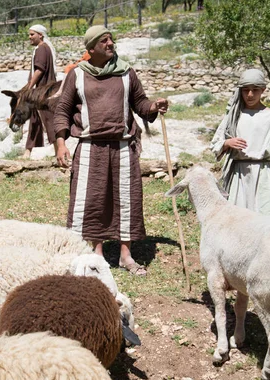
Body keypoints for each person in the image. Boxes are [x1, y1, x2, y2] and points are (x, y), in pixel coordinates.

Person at [53, 26, 168, 277]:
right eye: (104, 40)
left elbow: (140, 103)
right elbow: (62, 109)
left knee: (125, 200)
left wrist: (154, 106)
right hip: (90, 147)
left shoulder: (126, 73)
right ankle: (97, 254)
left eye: (111, 39)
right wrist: (61, 142)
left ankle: (126, 255)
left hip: (123, 147)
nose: (110, 43)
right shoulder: (78, 75)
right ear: (91, 48)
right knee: (93, 200)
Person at [210, 68, 270, 216]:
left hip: (264, 173)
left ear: (263, 90)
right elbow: (215, 143)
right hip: (238, 174)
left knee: (264, 217)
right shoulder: (234, 116)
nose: (250, 95)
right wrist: (227, 143)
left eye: (255, 90)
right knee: (237, 218)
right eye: (246, 90)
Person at [24, 24, 57, 159]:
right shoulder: (43, 48)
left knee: (48, 119)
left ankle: (59, 149)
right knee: (35, 119)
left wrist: (29, 86)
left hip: (42, 91)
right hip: (42, 90)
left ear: (40, 35)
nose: (30, 37)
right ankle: (28, 151)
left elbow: (40, 69)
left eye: (32, 34)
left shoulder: (42, 49)